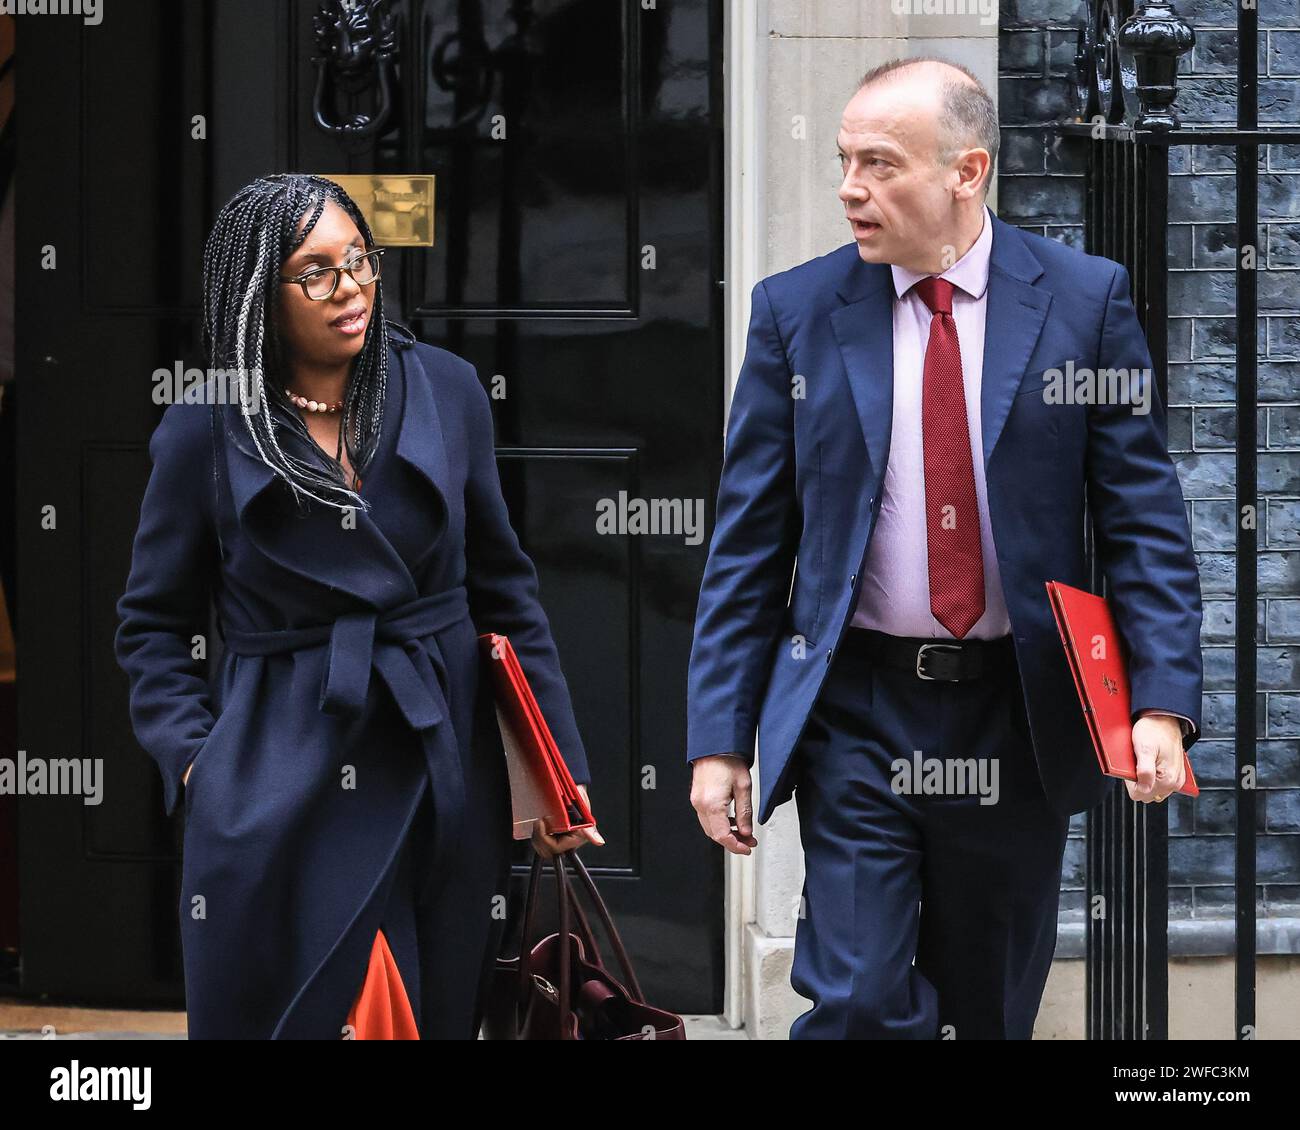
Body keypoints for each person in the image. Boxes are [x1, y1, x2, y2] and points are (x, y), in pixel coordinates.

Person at [686, 58, 1202, 1039]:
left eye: (879, 164)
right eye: (843, 160)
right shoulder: (795, 312)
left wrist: (1160, 702)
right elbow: (750, 543)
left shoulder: (1083, 302)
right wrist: (720, 738)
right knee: (858, 999)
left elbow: (1142, 518)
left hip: (1015, 712)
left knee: (987, 1008)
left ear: (965, 171)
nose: (849, 186)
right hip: (858, 712)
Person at [114, 173, 601, 1040]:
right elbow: (151, 624)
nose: (351, 290)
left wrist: (556, 769)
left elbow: (505, 590)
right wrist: (201, 763)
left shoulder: (446, 390)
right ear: (257, 296)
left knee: (431, 1006)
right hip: (280, 770)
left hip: (439, 754)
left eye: (360, 261)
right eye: (316, 272)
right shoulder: (206, 426)